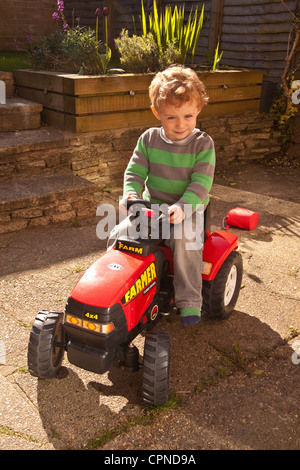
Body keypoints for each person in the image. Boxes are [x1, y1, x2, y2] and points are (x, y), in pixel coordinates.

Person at [108, 64, 215, 327]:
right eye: (171, 118)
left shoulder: (203, 144)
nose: (181, 125)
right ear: (157, 112)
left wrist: (182, 206)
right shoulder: (148, 140)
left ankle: (189, 300)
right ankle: (115, 291)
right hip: (151, 210)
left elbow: (201, 184)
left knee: (186, 239)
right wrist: (130, 194)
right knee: (117, 234)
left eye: (188, 116)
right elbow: (134, 172)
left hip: (187, 211)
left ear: (198, 110)